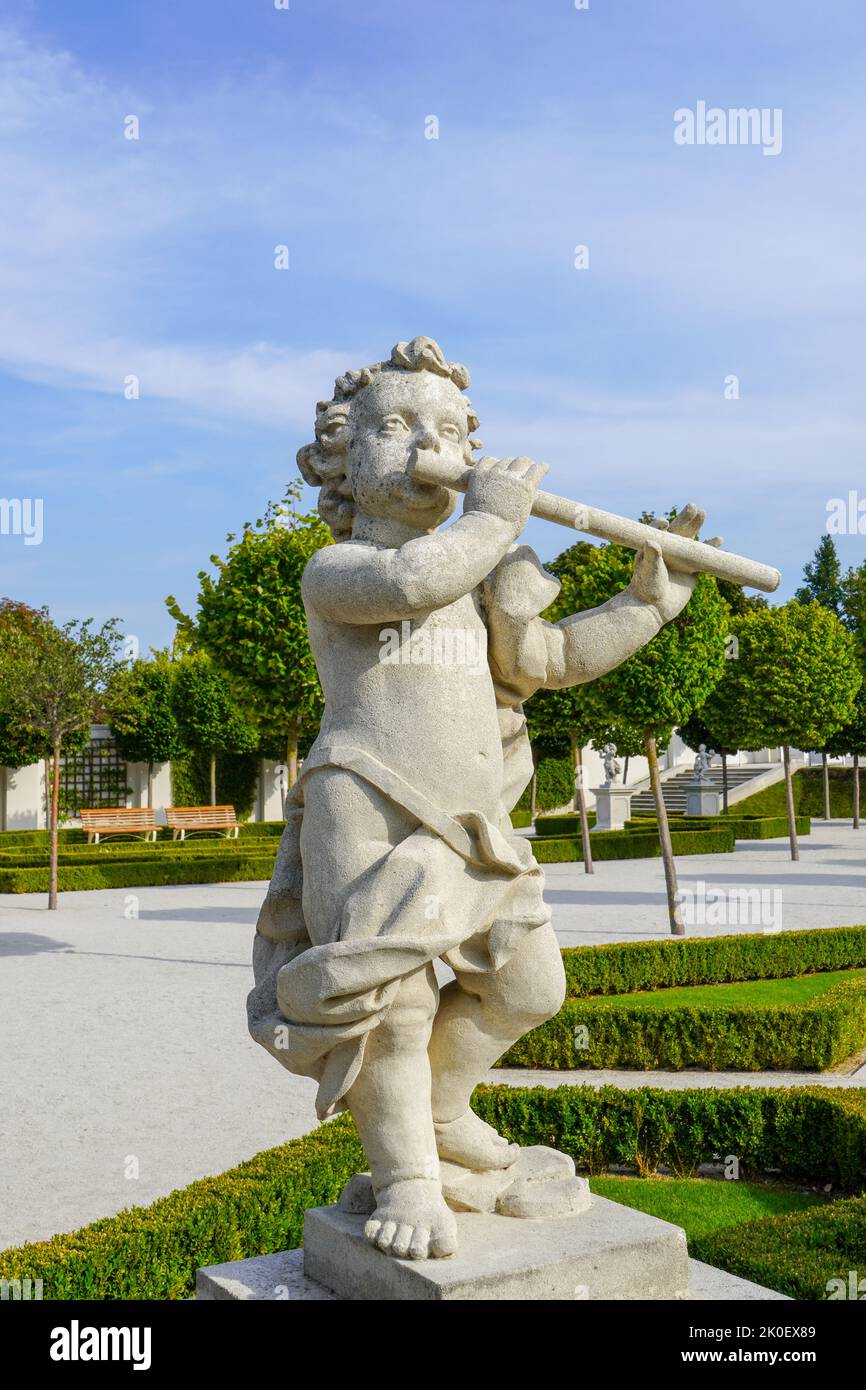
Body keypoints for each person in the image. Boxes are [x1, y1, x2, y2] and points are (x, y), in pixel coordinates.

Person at [248, 336, 707, 1259]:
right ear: (343, 456)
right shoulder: (338, 572)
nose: (433, 445)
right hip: (371, 803)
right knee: (395, 1005)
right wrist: (494, 520)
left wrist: (650, 606)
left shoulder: (471, 582)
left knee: (531, 987)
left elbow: (550, 661)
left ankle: (446, 1116)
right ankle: (408, 1177)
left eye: (453, 430)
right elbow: (416, 576)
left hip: (478, 825)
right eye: (400, 426)